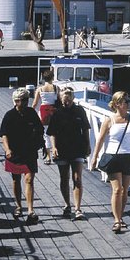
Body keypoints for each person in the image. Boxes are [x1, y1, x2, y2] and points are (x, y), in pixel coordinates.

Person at [91, 91, 130, 233]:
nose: (128, 103)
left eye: (128, 101)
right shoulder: (109, 120)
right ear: (117, 104)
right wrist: (94, 157)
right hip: (113, 157)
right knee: (117, 189)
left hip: (129, 157)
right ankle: (116, 220)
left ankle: (120, 217)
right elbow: (100, 140)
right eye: (125, 101)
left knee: (125, 191)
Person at [0, 88, 45, 225]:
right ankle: (19, 206)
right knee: (15, 180)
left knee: (29, 179)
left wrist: (40, 143)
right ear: (15, 101)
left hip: (29, 151)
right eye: (21, 100)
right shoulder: (9, 116)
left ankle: (30, 210)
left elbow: (40, 130)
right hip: (14, 152)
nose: (24, 102)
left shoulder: (31, 113)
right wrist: (7, 149)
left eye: (26, 99)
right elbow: (4, 134)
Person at [47, 86, 91, 220]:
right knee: (64, 178)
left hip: (77, 147)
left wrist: (88, 145)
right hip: (62, 148)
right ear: (61, 99)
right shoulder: (56, 113)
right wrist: (53, 147)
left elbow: (86, 129)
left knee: (77, 178)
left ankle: (78, 208)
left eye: (69, 99)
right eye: (65, 99)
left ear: (73, 98)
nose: (67, 102)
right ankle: (67, 205)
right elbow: (52, 132)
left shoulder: (79, 111)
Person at [32, 69, 58, 164]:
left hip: (43, 111)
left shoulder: (40, 89)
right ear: (53, 77)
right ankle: (55, 153)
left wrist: (31, 112)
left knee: (46, 135)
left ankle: (48, 156)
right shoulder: (56, 88)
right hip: (54, 111)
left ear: (43, 78)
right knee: (55, 133)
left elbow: (35, 103)